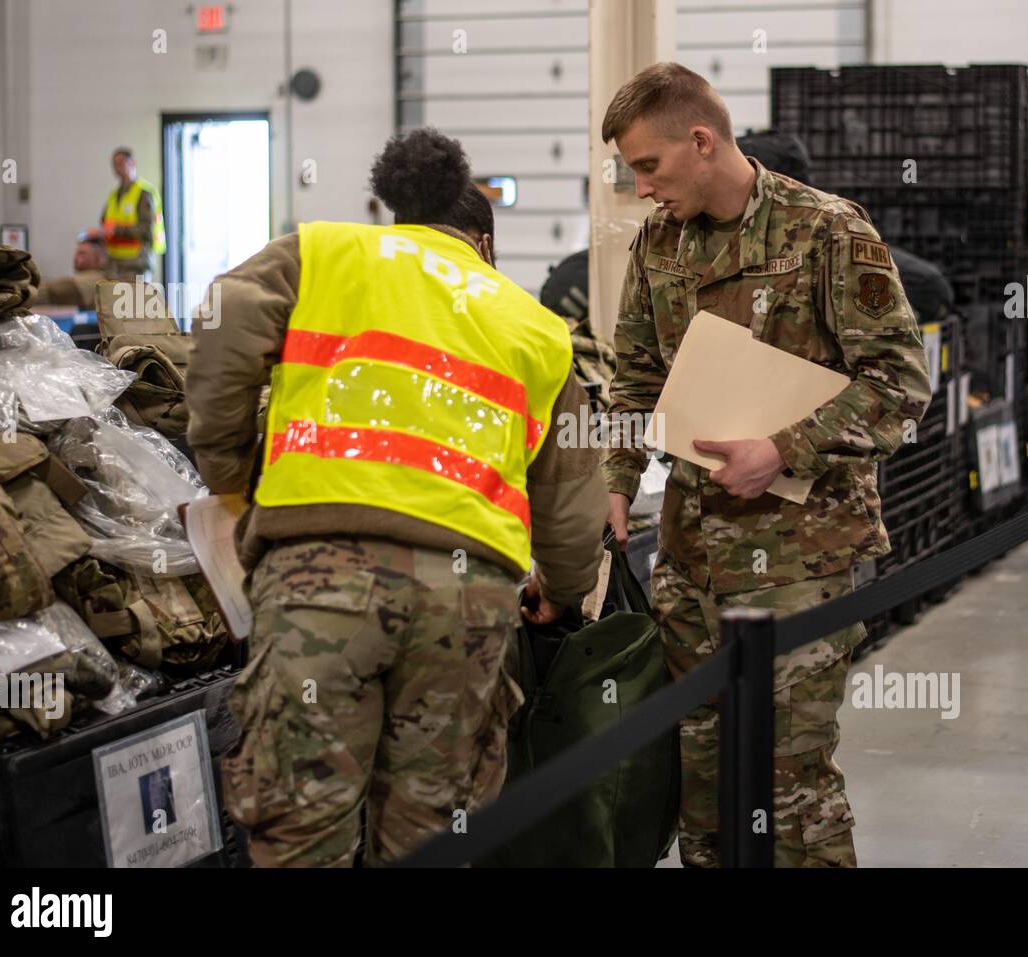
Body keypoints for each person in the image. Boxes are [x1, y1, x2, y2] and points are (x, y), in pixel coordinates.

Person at [185, 128, 606, 867]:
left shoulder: (324, 253)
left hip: (321, 576)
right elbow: (572, 493)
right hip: (468, 595)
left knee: (303, 824)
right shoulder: (535, 327)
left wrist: (229, 467)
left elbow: (225, 312)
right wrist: (564, 592)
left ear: (391, 212)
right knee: (433, 831)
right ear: (482, 237)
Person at [600, 63, 932, 867]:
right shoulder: (658, 240)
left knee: (792, 785)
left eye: (648, 165)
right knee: (704, 781)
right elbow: (636, 373)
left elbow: (900, 384)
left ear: (702, 140)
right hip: (690, 558)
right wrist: (614, 478)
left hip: (801, 560)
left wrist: (782, 448)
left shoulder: (826, 230)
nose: (641, 188)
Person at [100, 147, 166, 280]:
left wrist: (116, 230)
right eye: (114, 164)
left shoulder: (144, 193)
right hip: (115, 264)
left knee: (137, 300)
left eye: (121, 163)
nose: (117, 167)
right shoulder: (114, 195)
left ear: (133, 163)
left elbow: (146, 230)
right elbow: (104, 221)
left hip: (137, 264)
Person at [30, 231, 107, 309]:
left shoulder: (97, 279)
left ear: (97, 259)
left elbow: (59, 290)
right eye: (77, 253)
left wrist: (24, 291)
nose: (76, 258)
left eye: (82, 254)